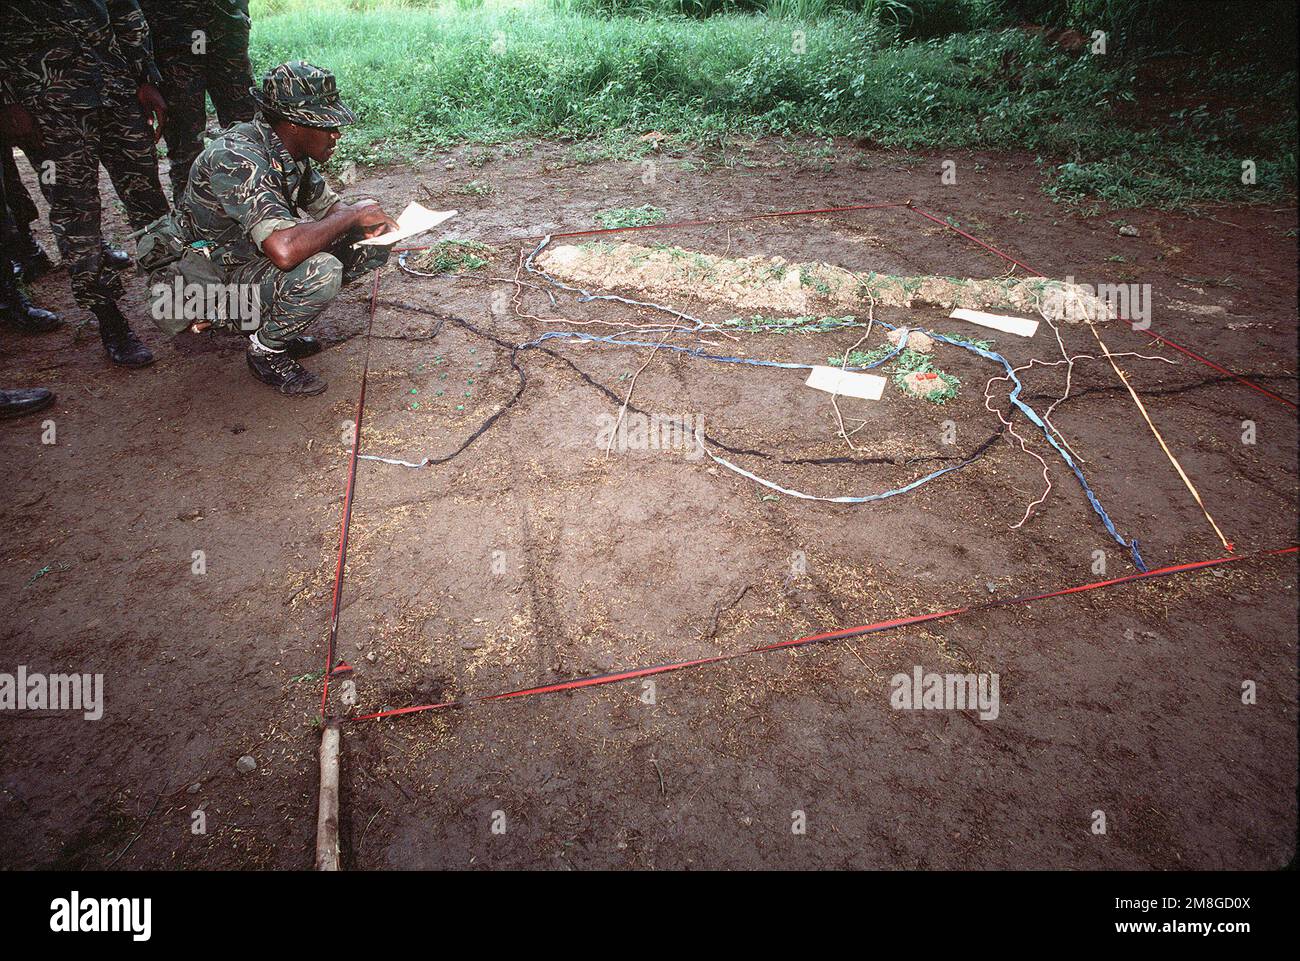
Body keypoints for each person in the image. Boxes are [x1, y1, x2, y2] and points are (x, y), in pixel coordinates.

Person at [149, 61, 397, 396]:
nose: (336, 134)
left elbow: (330, 208)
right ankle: (266, 352)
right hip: (205, 285)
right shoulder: (240, 158)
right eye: (327, 125)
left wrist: (367, 224)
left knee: (367, 240)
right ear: (294, 124)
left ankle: (273, 325)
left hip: (247, 264)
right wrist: (352, 216)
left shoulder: (287, 150)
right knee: (321, 270)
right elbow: (284, 251)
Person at [0, 0, 171, 368]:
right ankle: (110, 319)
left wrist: (145, 76)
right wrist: (9, 102)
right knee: (76, 215)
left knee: (148, 198)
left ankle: (176, 294)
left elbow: (126, 10)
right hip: (48, 102)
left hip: (116, 89)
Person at [138, 0, 256, 203]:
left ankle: (257, 208)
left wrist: (238, 11)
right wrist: (143, 71)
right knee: (185, 144)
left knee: (248, 133)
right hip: (173, 42)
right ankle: (193, 222)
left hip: (226, 33)